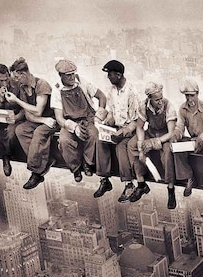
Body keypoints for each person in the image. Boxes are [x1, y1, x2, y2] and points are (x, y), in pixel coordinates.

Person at [50, 59, 108, 183]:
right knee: (64, 141)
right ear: (60, 75)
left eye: (73, 73)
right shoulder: (57, 89)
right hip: (69, 122)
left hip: (88, 118)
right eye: (68, 75)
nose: (72, 77)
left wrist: (99, 116)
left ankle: (88, 163)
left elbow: (102, 96)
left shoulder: (82, 81)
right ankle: (75, 167)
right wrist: (74, 127)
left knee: (93, 135)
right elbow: (59, 118)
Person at [4, 57, 56, 190]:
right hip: (41, 120)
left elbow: (38, 111)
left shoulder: (41, 85)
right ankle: (44, 162)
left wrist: (17, 101)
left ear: (23, 74)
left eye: (17, 77)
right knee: (20, 130)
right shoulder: (23, 88)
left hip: (52, 120)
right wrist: (42, 120)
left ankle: (36, 172)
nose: (16, 80)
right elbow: (28, 114)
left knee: (39, 133)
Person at [94, 59, 141, 202]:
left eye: (110, 74)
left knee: (121, 147)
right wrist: (106, 122)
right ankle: (104, 179)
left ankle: (128, 184)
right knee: (100, 141)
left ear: (119, 75)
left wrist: (125, 131)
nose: (108, 77)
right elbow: (111, 113)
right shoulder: (112, 91)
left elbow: (136, 120)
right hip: (117, 128)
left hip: (130, 130)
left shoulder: (132, 92)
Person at [129, 81, 178, 209]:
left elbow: (171, 133)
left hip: (165, 136)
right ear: (150, 98)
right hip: (151, 132)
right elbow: (140, 127)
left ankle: (171, 189)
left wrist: (153, 143)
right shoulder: (144, 106)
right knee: (132, 144)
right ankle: (141, 183)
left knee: (167, 152)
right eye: (157, 100)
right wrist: (141, 147)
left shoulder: (169, 106)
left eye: (161, 98)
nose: (160, 102)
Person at [170, 79, 203, 198]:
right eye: (187, 96)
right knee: (177, 148)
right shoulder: (182, 109)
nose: (189, 99)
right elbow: (180, 127)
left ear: (197, 94)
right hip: (192, 140)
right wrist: (175, 136)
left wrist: (201, 139)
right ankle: (189, 177)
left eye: (192, 95)